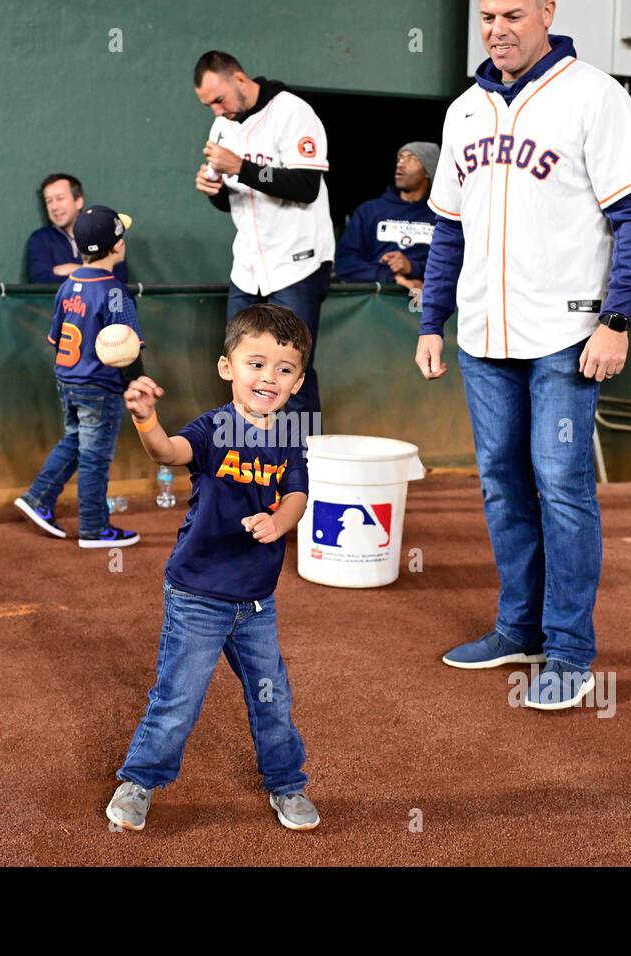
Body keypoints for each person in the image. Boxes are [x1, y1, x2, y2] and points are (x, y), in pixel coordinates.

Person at [419, 0, 631, 709]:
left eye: (513, 12)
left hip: (567, 334)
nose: (497, 27)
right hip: (484, 338)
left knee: (560, 485)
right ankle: (517, 628)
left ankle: (569, 650)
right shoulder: (463, 111)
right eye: (487, 14)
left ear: (548, 11)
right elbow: (447, 232)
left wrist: (617, 320)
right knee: (499, 482)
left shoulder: (595, 95)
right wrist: (433, 320)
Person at [105, 304, 319, 832]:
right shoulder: (211, 429)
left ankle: (287, 784)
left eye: (284, 369)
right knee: (179, 696)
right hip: (198, 593)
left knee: (272, 696)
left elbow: (297, 495)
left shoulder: (290, 434)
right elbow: (167, 452)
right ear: (228, 368)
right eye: (256, 363)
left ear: (298, 382)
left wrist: (280, 522)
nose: (269, 377)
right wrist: (145, 418)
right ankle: (139, 782)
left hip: (256, 601)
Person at [193, 50, 332, 434]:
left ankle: (302, 474)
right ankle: (251, 467)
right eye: (208, 105)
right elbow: (232, 198)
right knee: (242, 371)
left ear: (239, 79)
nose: (216, 111)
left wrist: (240, 167)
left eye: (219, 99)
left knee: (290, 369)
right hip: (248, 265)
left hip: (296, 261)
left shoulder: (292, 111)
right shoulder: (223, 126)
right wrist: (213, 190)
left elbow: (306, 186)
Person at [13, 206, 143, 548]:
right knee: (94, 457)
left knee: (75, 440)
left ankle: (39, 497)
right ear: (116, 247)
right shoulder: (114, 290)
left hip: (67, 379)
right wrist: (138, 382)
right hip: (99, 385)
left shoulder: (69, 284)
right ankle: (94, 527)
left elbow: (55, 338)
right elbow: (128, 349)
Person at [335, 143, 439, 291]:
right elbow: (345, 262)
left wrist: (412, 267)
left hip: (427, 303)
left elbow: (454, 264)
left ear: (428, 172)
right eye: (400, 158)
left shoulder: (440, 217)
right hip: (376, 305)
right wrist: (392, 277)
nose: (401, 164)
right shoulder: (369, 211)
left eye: (412, 159)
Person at [26, 173, 129, 284]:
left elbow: (118, 278)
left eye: (60, 198)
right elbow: (42, 281)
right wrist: (95, 271)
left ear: (78, 202)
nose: (54, 207)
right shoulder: (40, 239)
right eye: (48, 201)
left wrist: (73, 269)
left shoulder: (102, 232)